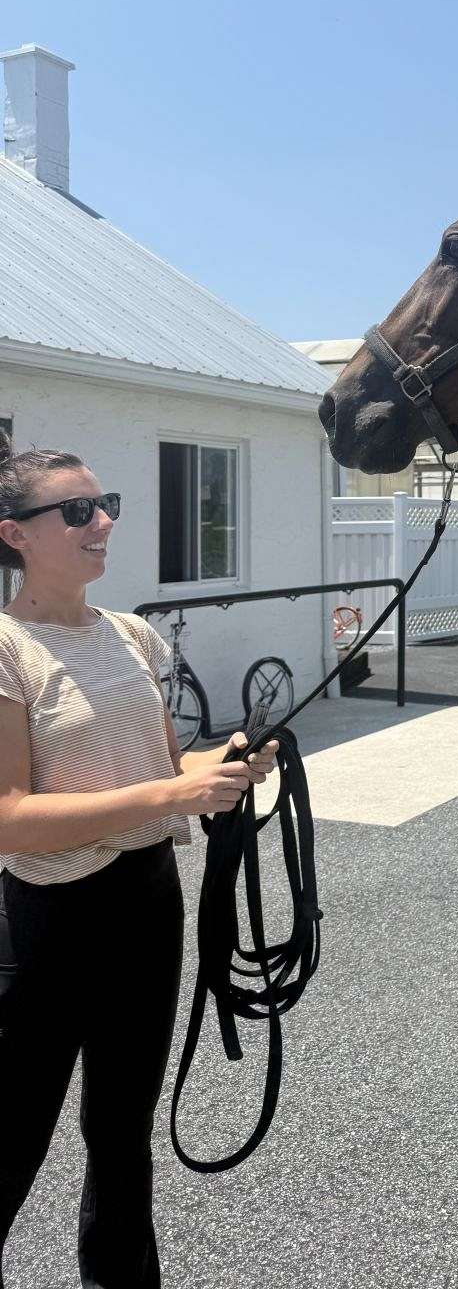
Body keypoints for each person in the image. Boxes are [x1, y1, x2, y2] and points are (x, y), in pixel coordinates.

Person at [0, 435, 279, 1288]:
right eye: (77, 511)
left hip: (146, 904)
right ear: (15, 532)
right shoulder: (9, 649)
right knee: (12, 1139)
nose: (103, 523)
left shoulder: (130, 637)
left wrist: (230, 762)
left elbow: (165, 770)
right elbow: (10, 821)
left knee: (121, 1134)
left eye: (105, 505)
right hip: (46, 922)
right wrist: (172, 799)